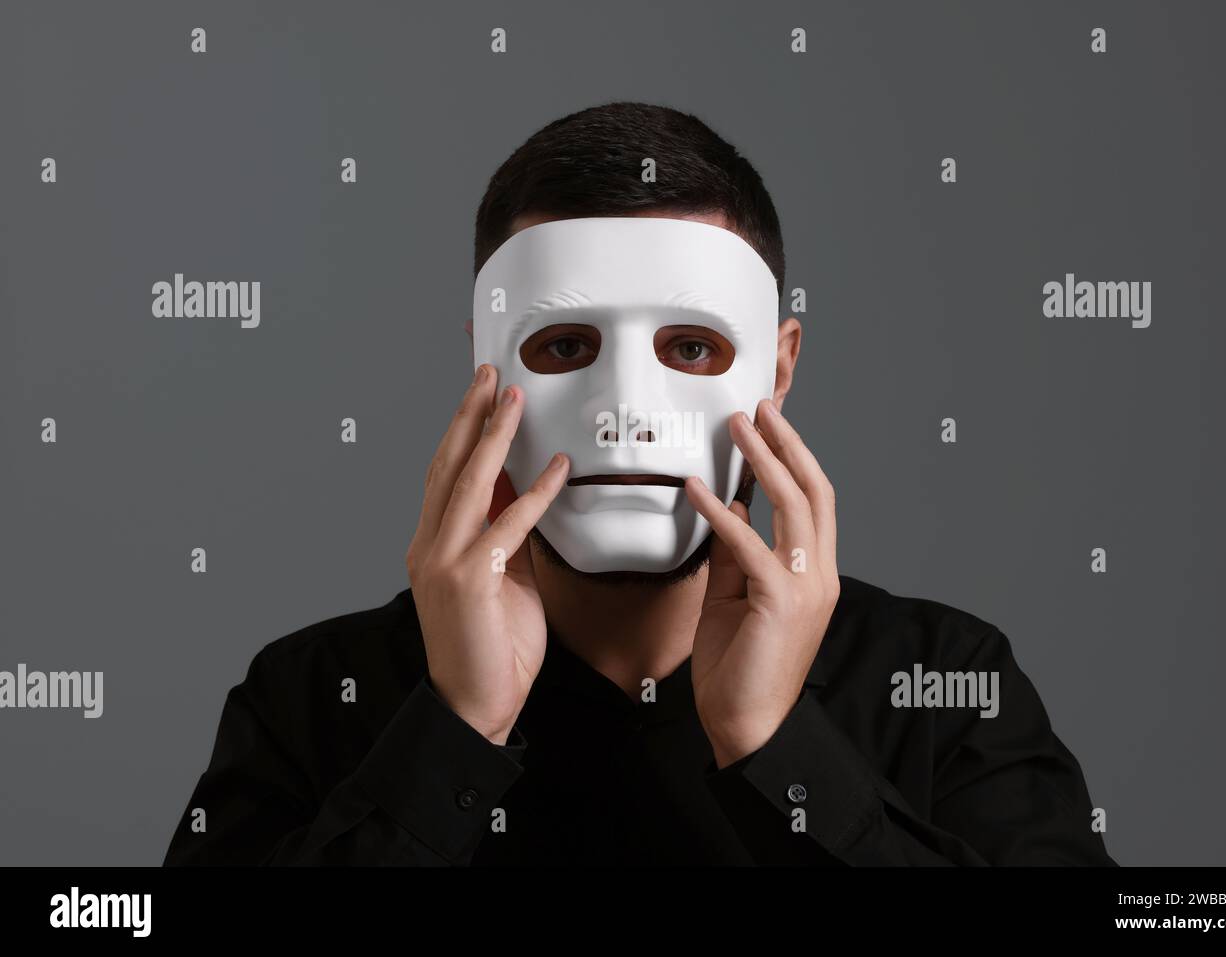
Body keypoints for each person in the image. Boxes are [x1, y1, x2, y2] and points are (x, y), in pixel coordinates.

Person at [163, 101, 1116, 866]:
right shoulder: (309, 697)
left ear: (777, 369)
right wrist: (453, 731)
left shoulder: (946, 685)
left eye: (692, 346)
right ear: (485, 367)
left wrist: (778, 748)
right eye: (566, 345)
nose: (625, 409)